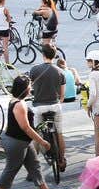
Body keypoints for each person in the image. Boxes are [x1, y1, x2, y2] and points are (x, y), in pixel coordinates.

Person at [0, 75, 60, 189]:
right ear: (24, 88)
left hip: (22, 141)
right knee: (12, 168)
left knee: (34, 165)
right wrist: (42, 141)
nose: (31, 88)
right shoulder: (19, 105)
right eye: (29, 86)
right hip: (16, 142)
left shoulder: (15, 100)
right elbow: (25, 127)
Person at [27, 44, 68, 175]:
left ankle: (32, 168)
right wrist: (58, 101)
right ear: (54, 55)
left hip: (39, 107)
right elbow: (62, 95)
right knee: (60, 133)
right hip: (55, 106)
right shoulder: (60, 71)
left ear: (43, 55)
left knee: (37, 136)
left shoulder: (34, 70)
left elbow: (28, 89)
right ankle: (61, 159)